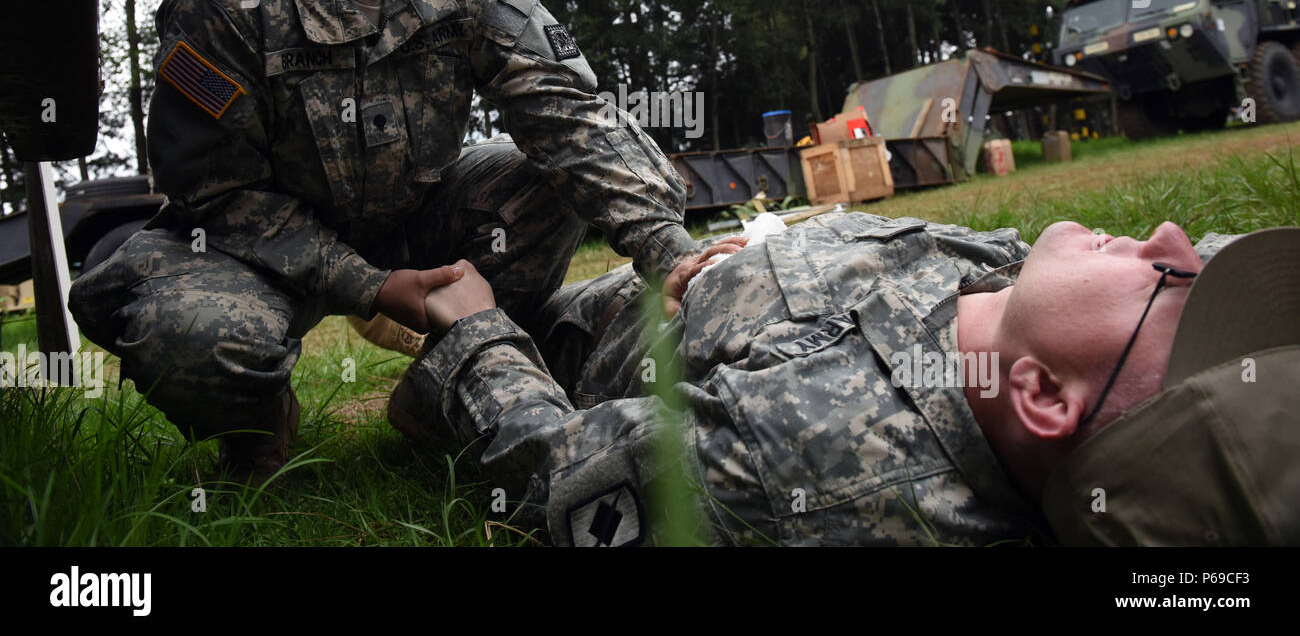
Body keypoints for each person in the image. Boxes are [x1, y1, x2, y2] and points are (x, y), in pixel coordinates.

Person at [68, 0, 712, 482]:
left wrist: (673, 249)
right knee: (202, 338)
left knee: (538, 178)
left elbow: (570, 114)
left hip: (411, 223)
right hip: (258, 259)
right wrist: (369, 287)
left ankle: (448, 380)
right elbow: (217, 196)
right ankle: (257, 419)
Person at [387, 211, 1300, 545]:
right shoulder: (1040, 328)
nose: (1176, 241)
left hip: (568, 345)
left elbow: (550, 472)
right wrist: (773, 247)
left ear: (1047, 399)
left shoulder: (804, 466)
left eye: (1174, 286)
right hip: (674, 282)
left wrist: (476, 335)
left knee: (430, 290)